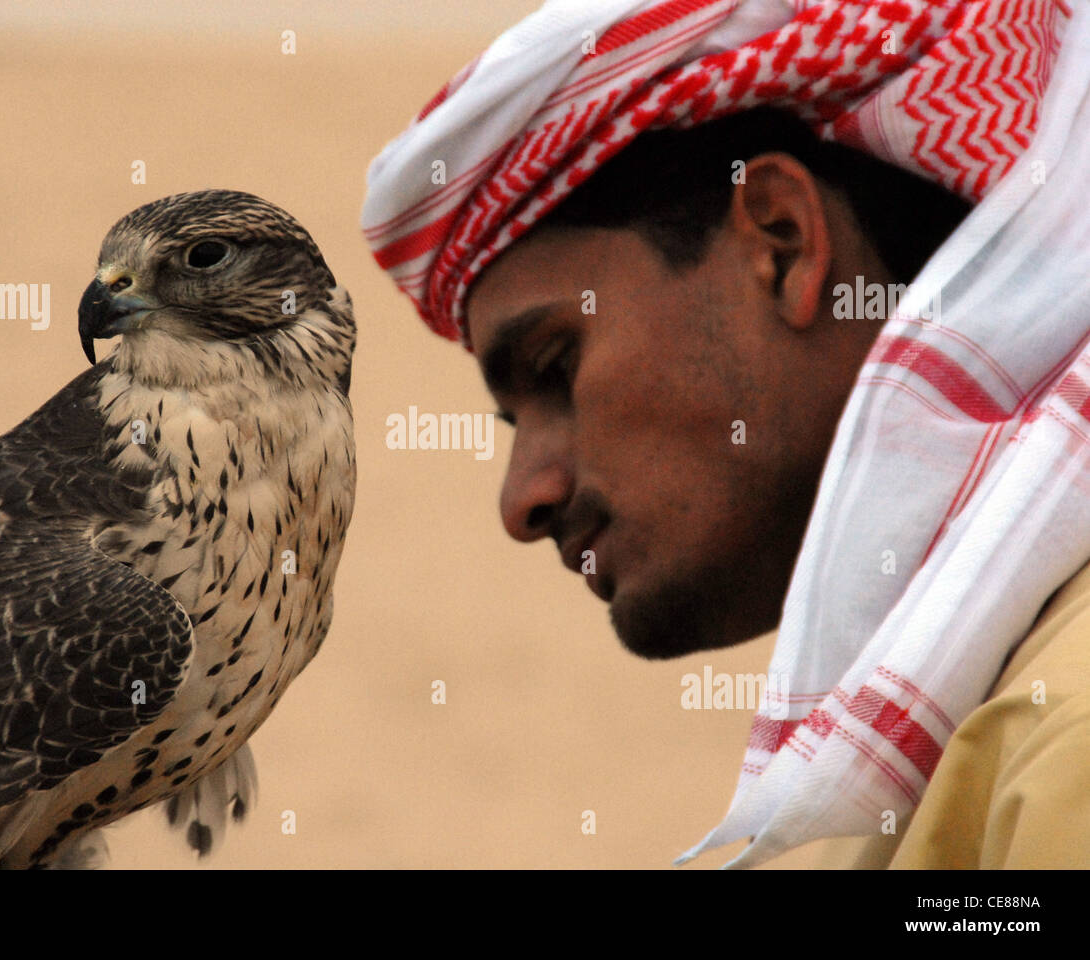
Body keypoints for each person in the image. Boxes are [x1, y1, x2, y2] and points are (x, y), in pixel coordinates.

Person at [362, 0, 1090, 867]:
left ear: (780, 242)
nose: (522, 500)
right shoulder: (928, 757)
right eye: (515, 425)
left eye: (557, 366)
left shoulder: (1063, 741)